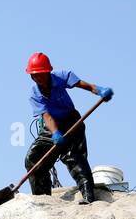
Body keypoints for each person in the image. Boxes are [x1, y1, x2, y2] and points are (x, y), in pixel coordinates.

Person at [24, 52, 113, 202]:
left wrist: (100, 91)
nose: (38, 78)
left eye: (41, 74)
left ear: (48, 72)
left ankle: (88, 195)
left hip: (71, 120)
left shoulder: (61, 76)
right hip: (51, 127)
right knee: (33, 158)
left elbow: (86, 85)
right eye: (34, 75)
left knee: (73, 156)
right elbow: (47, 116)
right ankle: (43, 199)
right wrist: (55, 133)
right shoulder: (34, 94)